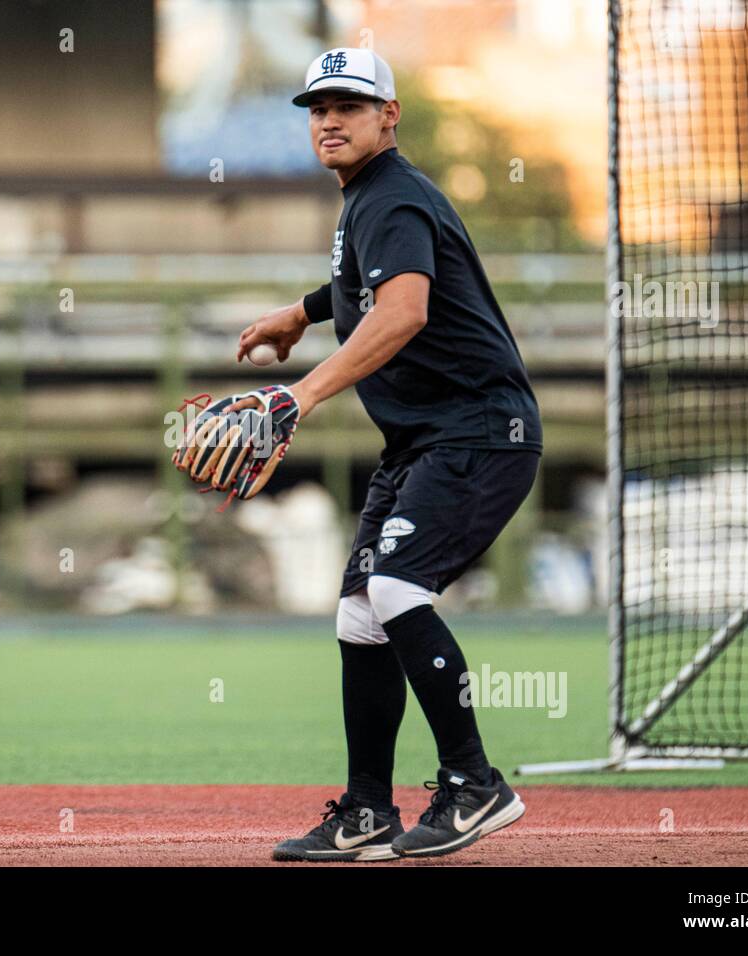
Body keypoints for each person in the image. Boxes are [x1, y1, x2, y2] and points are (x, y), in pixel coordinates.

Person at [236, 47, 543, 861]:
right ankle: (369, 811)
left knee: (398, 588)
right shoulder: (371, 200)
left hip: (479, 431)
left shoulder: (392, 197)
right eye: (317, 106)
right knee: (361, 615)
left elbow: (403, 310)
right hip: (425, 441)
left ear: (388, 115)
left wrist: (299, 394)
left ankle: (475, 783)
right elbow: (372, 287)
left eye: (349, 104)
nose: (329, 119)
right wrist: (303, 311)